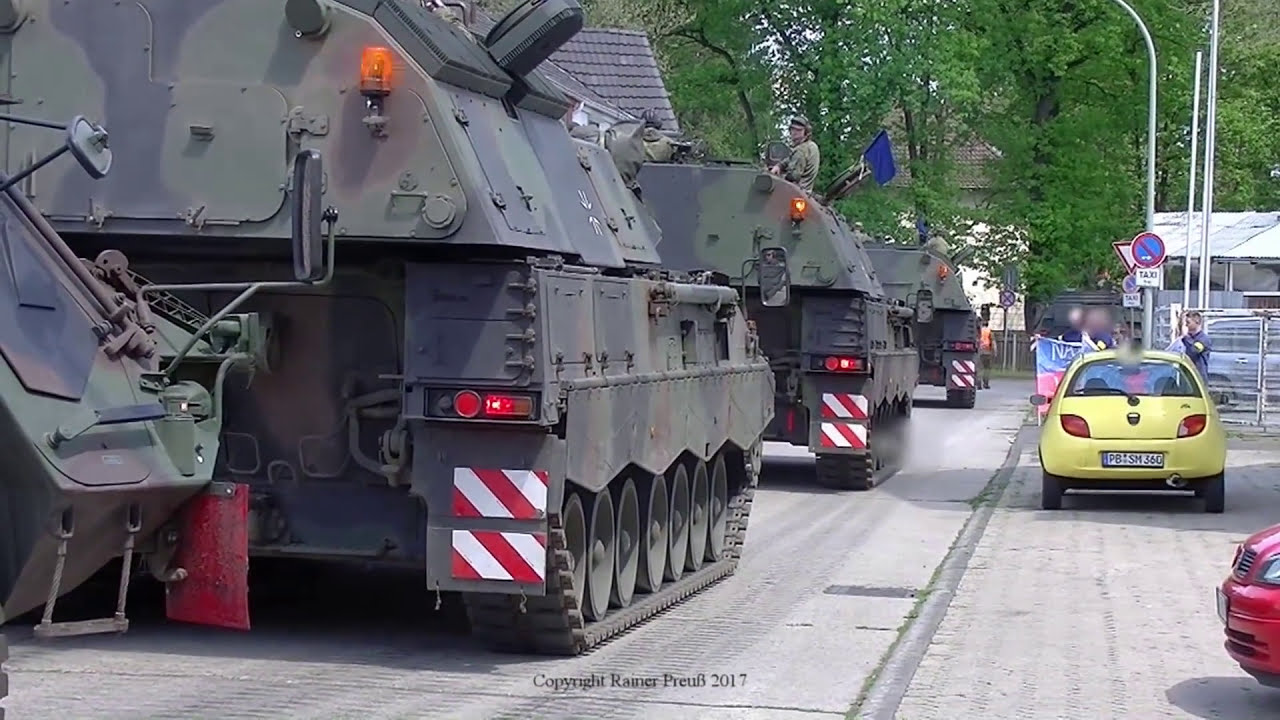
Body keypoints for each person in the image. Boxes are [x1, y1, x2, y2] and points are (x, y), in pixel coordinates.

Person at [769, 115, 820, 193]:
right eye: (793, 129)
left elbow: (793, 176)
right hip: (806, 191)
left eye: (799, 130)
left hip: (797, 191)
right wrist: (779, 166)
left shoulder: (801, 150)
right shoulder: (811, 145)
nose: (794, 133)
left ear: (806, 132)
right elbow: (790, 159)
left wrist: (778, 177)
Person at [1175, 310, 1212, 378]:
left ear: (1197, 322)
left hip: (1197, 377)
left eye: (1188, 322)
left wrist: (1186, 336)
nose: (1186, 325)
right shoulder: (1186, 339)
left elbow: (1193, 351)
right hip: (1186, 375)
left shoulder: (1203, 339)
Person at [978, 319, 994, 389]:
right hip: (987, 352)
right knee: (987, 369)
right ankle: (986, 383)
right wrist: (994, 351)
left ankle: (978, 384)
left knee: (979, 368)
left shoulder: (979, 331)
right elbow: (992, 342)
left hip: (980, 351)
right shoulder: (989, 331)